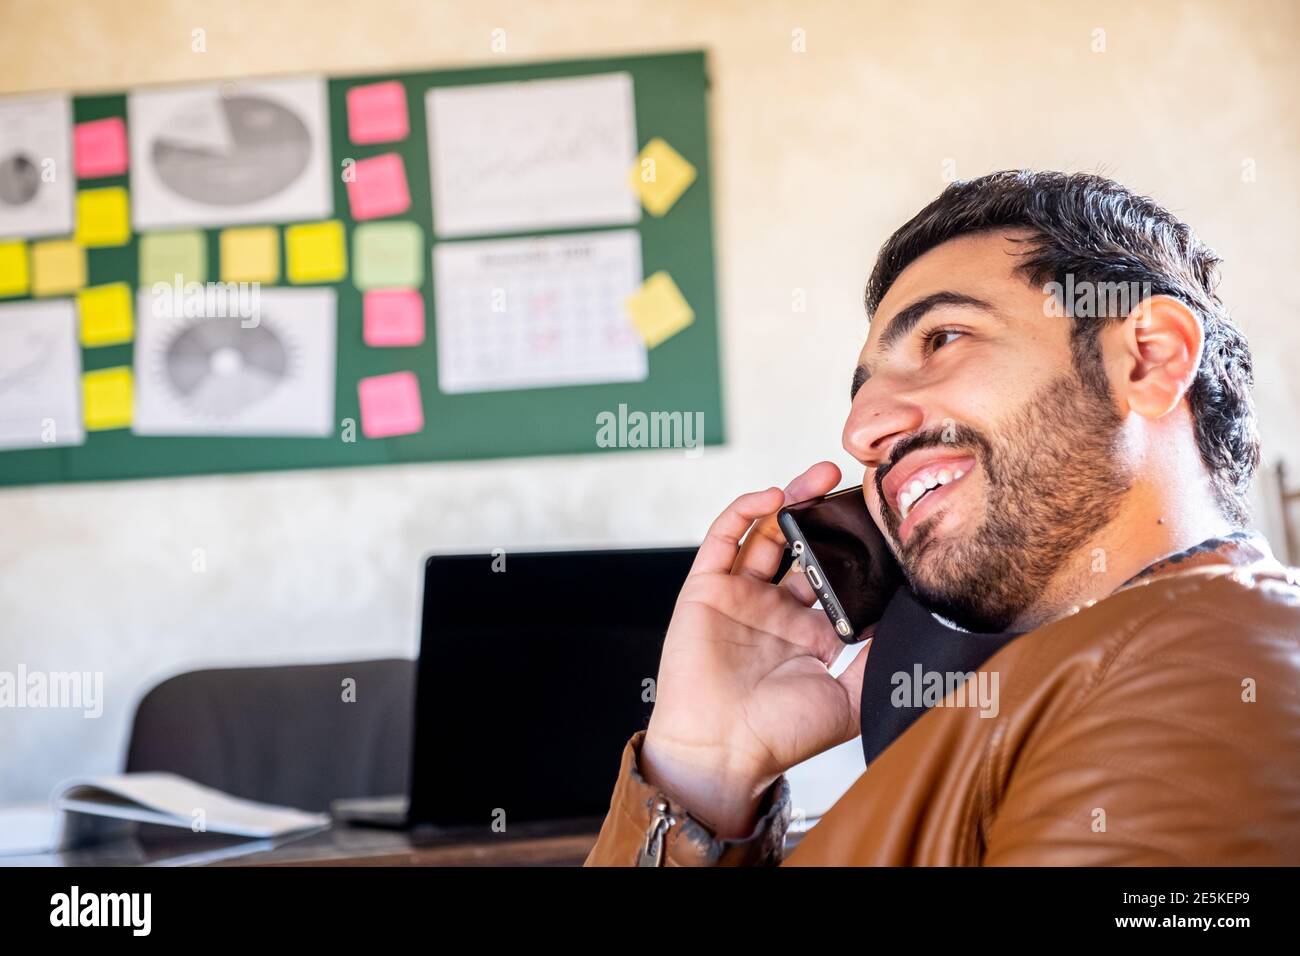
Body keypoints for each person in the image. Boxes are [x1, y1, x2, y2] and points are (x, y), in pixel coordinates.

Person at [585, 170, 1300, 866]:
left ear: (1148, 359)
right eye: (862, 391)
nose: (860, 431)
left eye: (942, 339)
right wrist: (704, 768)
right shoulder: (1060, 699)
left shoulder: (1190, 681)